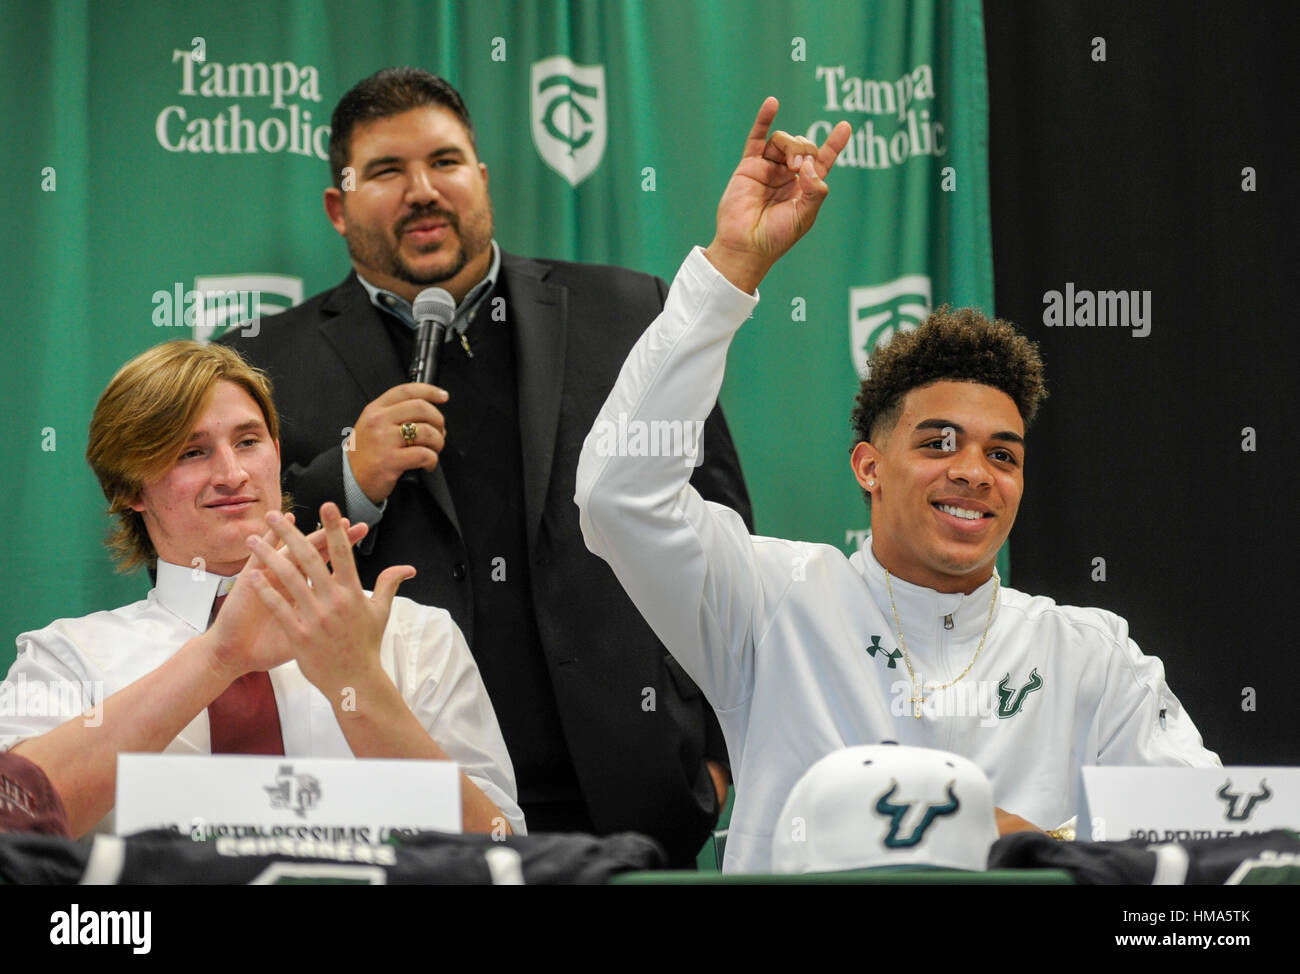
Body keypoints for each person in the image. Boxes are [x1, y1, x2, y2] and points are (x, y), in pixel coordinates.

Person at [575, 97, 1220, 873]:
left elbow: (1205, 836)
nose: (974, 473)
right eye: (938, 443)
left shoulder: (1089, 652)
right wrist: (732, 264)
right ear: (868, 467)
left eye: (1003, 455)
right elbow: (618, 495)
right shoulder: (770, 604)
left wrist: (1029, 844)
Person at [221, 67, 752, 864]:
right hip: (393, 796)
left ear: (482, 177)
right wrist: (347, 479)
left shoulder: (628, 311)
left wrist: (713, 754)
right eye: (387, 171)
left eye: (444, 162)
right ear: (337, 206)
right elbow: (224, 567)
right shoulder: (262, 362)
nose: (423, 191)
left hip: (628, 795)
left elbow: (723, 534)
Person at [0, 341, 523, 839]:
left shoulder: (412, 635)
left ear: (275, 452)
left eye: (248, 442)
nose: (232, 474)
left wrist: (360, 684)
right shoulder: (67, 658)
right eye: (191, 452)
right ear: (128, 486)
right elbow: (13, 823)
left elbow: (501, 852)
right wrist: (217, 658)